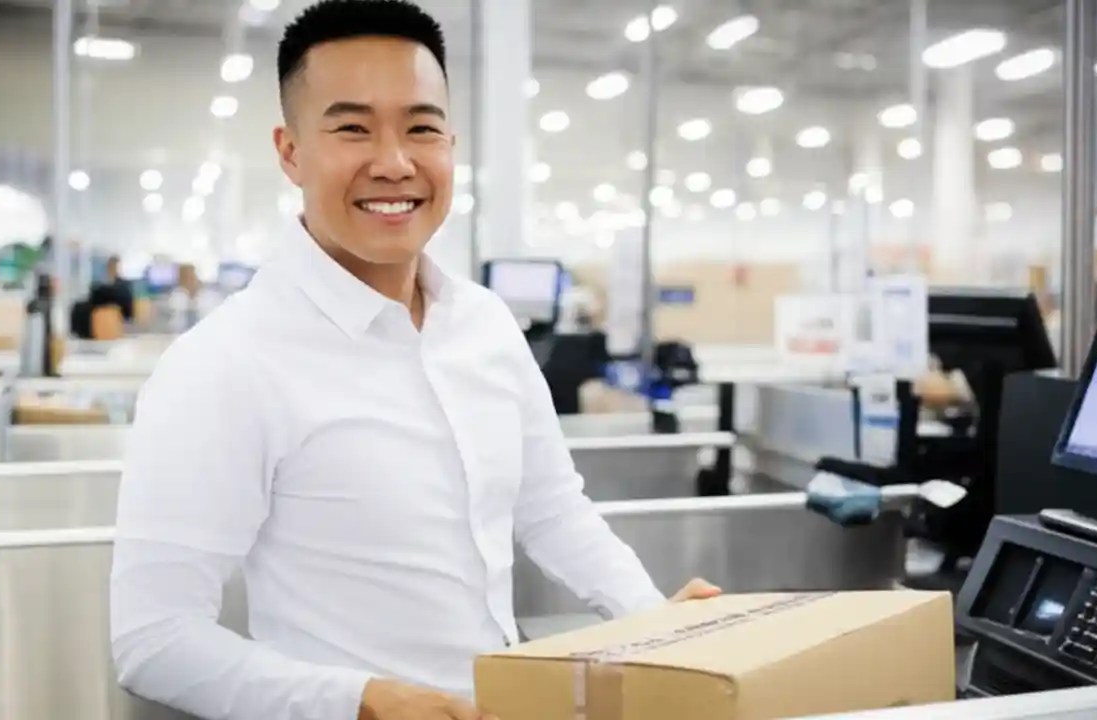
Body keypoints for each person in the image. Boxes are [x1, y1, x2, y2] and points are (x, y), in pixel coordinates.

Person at [110, 2, 719, 720]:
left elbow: (553, 511)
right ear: (290, 151)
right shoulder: (225, 363)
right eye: (352, 128)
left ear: (451, 144)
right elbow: (154, 639)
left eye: (422, 128)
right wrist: (362, 700)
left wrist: (657, 626)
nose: (395, 163)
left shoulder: (484, 323)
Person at [91, 255, 135, 324]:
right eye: (111, 266)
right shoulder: (101, 284)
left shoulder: (123, 285)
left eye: (114, 267)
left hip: (121, 317)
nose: (113, 269)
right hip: (104, 314)